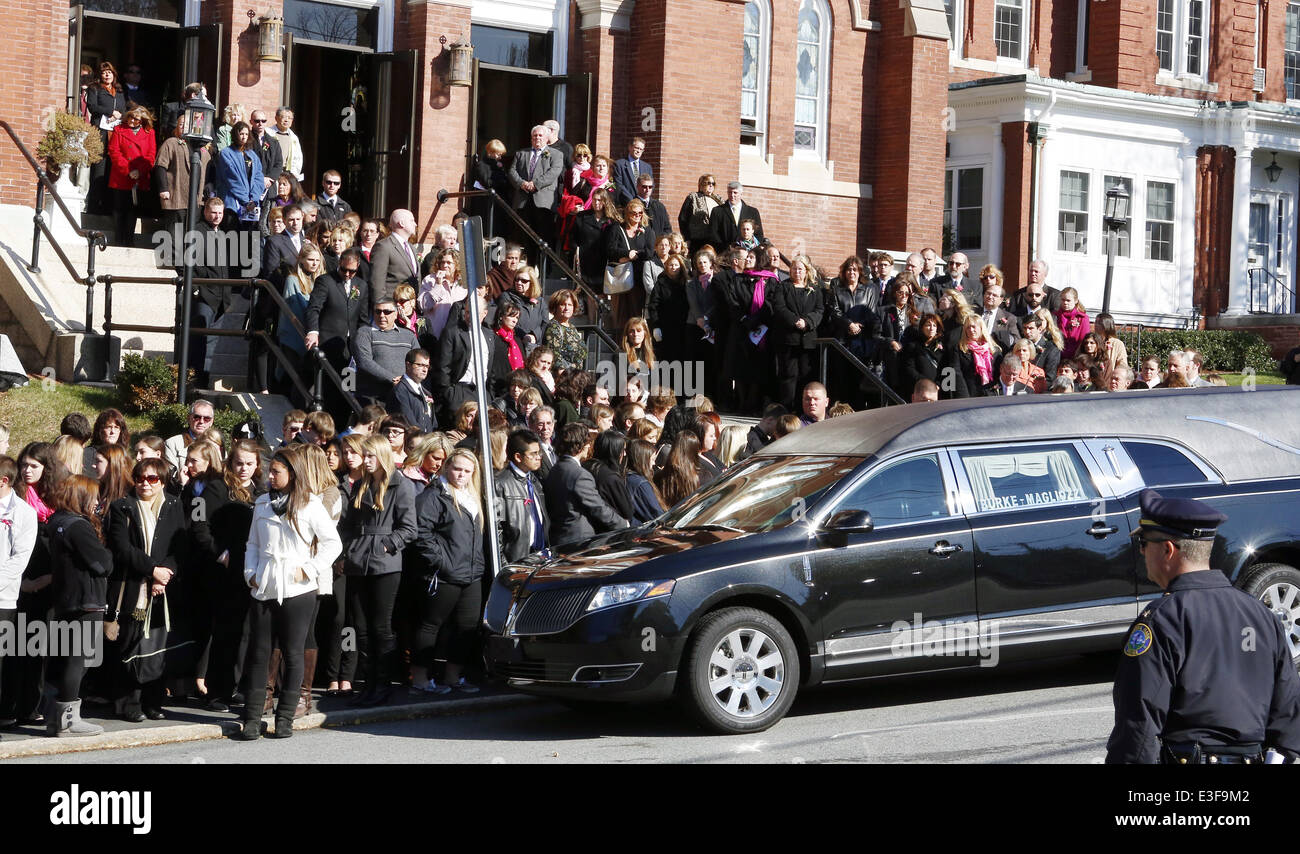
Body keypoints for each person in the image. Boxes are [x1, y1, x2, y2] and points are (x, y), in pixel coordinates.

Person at [1106, 489, 1300, 764]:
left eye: (1143, 543)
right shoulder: (1260, 613)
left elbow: (1140, 722)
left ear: (1167, 549)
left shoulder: (1162, 619)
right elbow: (1289, 713)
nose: (1141, 552)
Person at [235, 449, 341, 740]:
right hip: (265, 586)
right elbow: (252, 545)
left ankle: (285, 720)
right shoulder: (261, 504)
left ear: (292, 474)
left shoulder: (311, 504)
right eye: (270, 472)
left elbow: (333, 543)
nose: (270, 477)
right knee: (260, 653)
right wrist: (251, 574)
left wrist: (308, 570)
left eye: (276, 472)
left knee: (293, 654)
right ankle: (253, 719)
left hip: (298, 589)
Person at [106, 457, 187, 722]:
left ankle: (153, 701)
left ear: (162, 481)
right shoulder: (122, 507)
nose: (145, 484)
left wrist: (164, 576)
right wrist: (152, 571)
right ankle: (128, 703)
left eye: (152, 479)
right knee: (131, 643)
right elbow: (121, 547)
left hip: (163, 588)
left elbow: (180, 544)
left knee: (157, 644)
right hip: (133, 587)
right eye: (140, 478)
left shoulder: (174, 505)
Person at [341, 435, 416, 707]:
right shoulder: (360, 485)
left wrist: (386, 545)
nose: (367, 460)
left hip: (384, 564)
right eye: (365, 455)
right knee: (360, 627)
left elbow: (409, 528)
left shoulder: (400, 485)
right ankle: (368, 683)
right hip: (358, 560)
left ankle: (383, 684)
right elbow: (347, 524)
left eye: (371, 456)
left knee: (380, 626)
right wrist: (348, 548)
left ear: (382, 456)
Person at [411, 448, 487, 694]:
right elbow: (421, 534)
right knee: (431, 625)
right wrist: (443, 562)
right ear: (447, 467)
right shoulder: (433, 495)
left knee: (467, 626)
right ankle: (420, 680)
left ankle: (453, 677)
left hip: (472, 573)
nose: (461, 474)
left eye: (467, 470)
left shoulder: (473, 495)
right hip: (445, 574)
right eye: (457, 468)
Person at [43, 476, 112, 737]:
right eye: (93, 497)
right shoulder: (79, 526)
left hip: (66, 599)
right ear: (82, 497)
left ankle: (54, 715)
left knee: (65, 658)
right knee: (78, 660)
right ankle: (68, 721)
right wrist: (108, 554)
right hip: (86, 600)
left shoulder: (57, 521)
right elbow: (102, 564)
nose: (96, 502)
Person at [0, 455, 38, 732]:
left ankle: (5, 713)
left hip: (3, 598)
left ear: (3, 481)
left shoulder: (23, 513)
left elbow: (19, 559)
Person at [544, 423, 627, 547]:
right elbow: (598, 508)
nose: (589, 446)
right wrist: (623, 524)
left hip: (558, 537)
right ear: (581, 446)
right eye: (587, 443)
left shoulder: (555, 469)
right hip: (578, 540)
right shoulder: (580, 475)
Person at [772, 255, 825, 410]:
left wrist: (807, 322)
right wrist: (795, 320)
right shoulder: (783, 287)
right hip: (788, 339)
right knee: (789, 375)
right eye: (794, 268)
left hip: (808, 340)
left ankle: (804, 409)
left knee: (806, 376)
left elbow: (819, 310)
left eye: (800, 268)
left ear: (806, 270)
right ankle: (787, 409)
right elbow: (779, 307)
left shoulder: (814, 289)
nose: (797, 271)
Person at [353, 294, 419, 407]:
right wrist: (393, 379)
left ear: (396, 314)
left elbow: (418, 361)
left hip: (404, 395)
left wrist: (406, 382)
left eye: (387, 312)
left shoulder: (408, 335)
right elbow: (364, 362)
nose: (382, 315)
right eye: (378, 312)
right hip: (373, 398)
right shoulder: (364, 332)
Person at [495, 430, 549, 563]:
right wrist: (504, 565)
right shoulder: (500, 484)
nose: (539, 457)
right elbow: (497, 530)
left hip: (541, 555)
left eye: (539, 452)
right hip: (517, 559)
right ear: (518, 457)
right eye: (533, 454)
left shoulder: (534, 480)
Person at [106, 106, 156, 246]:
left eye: (137, 119)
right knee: (119, 207)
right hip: (121, 174)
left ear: (142, 121)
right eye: (131, 117)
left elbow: (151, 156)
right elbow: (114, 152)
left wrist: (139, 171)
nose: (133, 121)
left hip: (138, 177)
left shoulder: (149, 132)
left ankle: (128, 239)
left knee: (132, 209)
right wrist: (128, 169)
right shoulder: (119, 129)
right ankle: (118, 238)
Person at [508, 125, 564, 246]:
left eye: (540, 135)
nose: (537, 138)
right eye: (535, 135)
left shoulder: (556, 154)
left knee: (543, 239)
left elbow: (553, 172)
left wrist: (535, 184)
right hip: (523, 201)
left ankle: (542, 265)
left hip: (543, 203)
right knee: (524, 238)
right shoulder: (521, 153)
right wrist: (522, 183)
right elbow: (512, 171)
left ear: (546, 138)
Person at [86, 61, 127, 215]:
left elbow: (123, 109)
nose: (107, 74)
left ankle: (109, 209)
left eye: (109, 72)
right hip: (100, 134)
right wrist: (111, 111)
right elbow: (92, 106)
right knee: (99, 172)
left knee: (112, 172)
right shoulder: (94, 89)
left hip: (115, 134)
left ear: (114, 74)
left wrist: (119, 115)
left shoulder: (119, 91)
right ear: (100, 75)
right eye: (104, 72)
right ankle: (94, 210)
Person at [216, 121, 265, 232]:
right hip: (233, 204)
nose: (244, 137)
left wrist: (254, 199)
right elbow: (232, 179)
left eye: (246, 134)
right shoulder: (226, 153)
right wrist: (245, 200)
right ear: (235, 134)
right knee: (232, 241)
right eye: (241, 133)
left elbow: (258, 177)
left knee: (247, 242)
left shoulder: (252, 155)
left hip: (251, 205)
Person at [647, 251, 690, 365]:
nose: (673, 267)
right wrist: (655, 326)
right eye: (671, 265)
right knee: (665, 360)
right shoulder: (660, 283)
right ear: (666, 266)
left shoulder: (686, 283)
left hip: (683, 327)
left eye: (676, 265)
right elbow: (653, 305)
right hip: (665, 327)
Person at [367, 209, 421, 298]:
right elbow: (377, 282)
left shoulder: (412, 248)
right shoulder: (383, 246)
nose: (415, 224)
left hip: (410, 307)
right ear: (402, 223)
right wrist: (382, 307)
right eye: (412, 220)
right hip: (391, 306)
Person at [498, 265, 548, 354]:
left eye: (524, 281)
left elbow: (545, 323)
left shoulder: (540, 301)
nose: (519, 283)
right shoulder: (507, 297)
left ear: (532, 283)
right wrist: (523, 335)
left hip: (535, 347)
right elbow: (507, 320)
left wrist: (534, 335)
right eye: (517, 280)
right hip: (514, 344)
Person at [948, 315, 1000, 398]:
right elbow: (956, 373)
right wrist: (964, 397)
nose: (971, 330)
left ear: (981, 328)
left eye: (973, 327)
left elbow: (999, 374)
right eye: (968, 328)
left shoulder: (994, 350)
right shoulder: (960, 349)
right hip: (969, 394)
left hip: (991, 395)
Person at [163, 399, 215, 479]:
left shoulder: (217, 445)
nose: (201, 421)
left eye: (206, 418)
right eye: (196, 417)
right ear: (189, 418)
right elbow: (171, 477)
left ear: (211, 422)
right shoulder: (172, 444)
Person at [543, 289, 588, 373]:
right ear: (555, 307)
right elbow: (555, 357)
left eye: (570, 305)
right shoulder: (554, 327)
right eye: (563, 304)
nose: (567, 308)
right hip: (563, 378)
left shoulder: (572, 327)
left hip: (575, 375)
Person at [678, 174, 722, 255]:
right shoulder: (693, 197)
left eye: (713, 183)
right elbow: (682, 218)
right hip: (697, 239)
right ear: (702, 184)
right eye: (709, 183)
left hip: (714, 240)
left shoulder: (718, 200)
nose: (711, 185)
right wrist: (687, 238)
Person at [711, 181, 764, 248]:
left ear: (741, 194)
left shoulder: (753, 212)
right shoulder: (717, 211)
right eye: (730, 192)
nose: (732, 195)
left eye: (735, 192)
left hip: (747, 254)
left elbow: (759, 235)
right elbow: (713, 234)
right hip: (725, 253)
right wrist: (726, 249)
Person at [613, 137, 653, 207]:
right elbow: (619, 185)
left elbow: (651, 185)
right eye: (637, 148)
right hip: (625, 204)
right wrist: (632, 200)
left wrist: (643, 199)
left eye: (641, 149)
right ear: (630, 147)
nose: (638, 151)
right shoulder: (619, 164)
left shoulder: (647, 167)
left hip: (642, 205)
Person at [1055, 287, 1090, 359]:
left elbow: (1084, 339)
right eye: (1063, 300)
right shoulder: (1055, 316)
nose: (1065, 303)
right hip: (1058, 356)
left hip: (1076, 356)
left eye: (1068, 300)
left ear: (1076, 301)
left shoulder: (1083, 318)